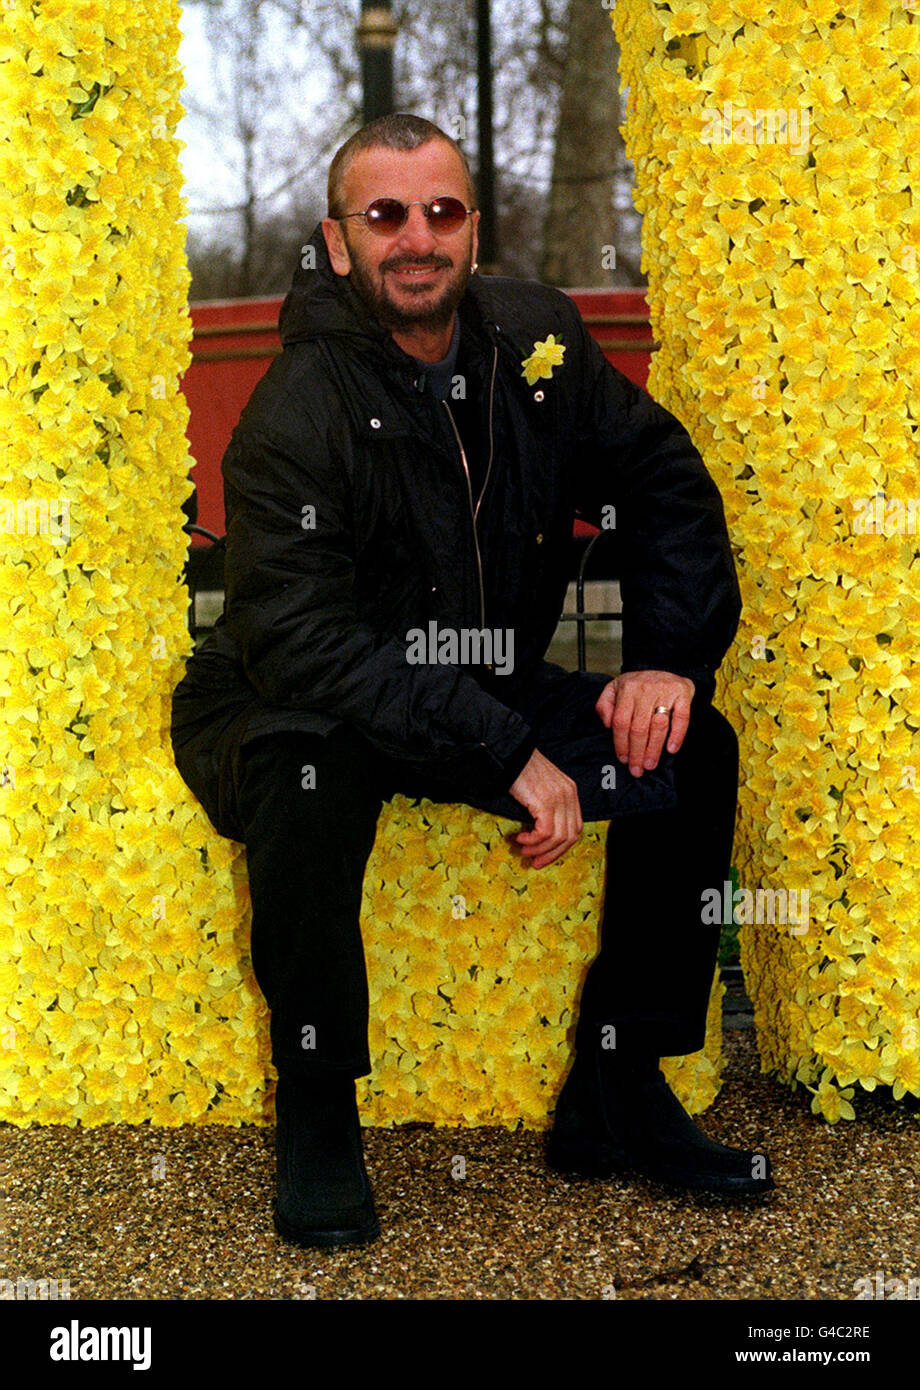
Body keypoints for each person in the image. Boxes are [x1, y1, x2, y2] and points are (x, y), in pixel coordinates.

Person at [170, 113, 774, 1251]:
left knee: (691, 749)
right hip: (300, 692)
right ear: (338, 241)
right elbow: (303, 638)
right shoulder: (291, 412)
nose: (416, 237)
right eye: (384, 214)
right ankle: (315, 1106)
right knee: (306, 771)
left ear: (471, 227)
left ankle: (617, 1080)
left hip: (481, 680)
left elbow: (664, 484)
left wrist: (660, 657)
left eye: (440, 212)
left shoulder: (536, 344)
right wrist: (500, 747)